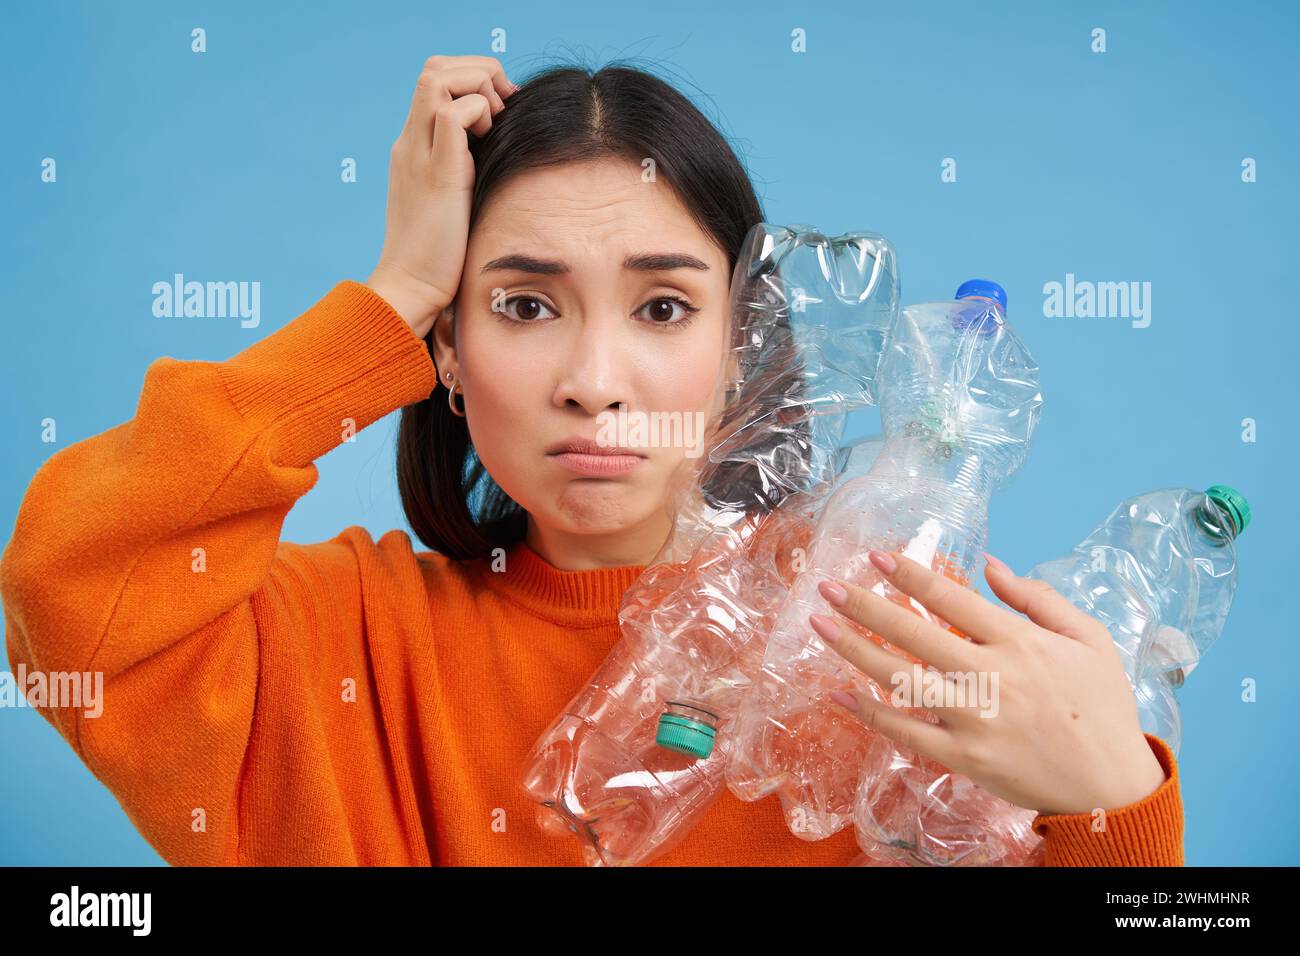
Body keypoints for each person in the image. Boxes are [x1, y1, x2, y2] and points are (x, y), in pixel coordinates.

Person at [0, 55, 1181, 866]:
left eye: (663, 309)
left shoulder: (880, 643)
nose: (593, 379)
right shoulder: (335, 648)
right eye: (521, 305)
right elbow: (68, 584)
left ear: (742, 346)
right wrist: (390, 295)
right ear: (447, 353)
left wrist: (1115, 803)